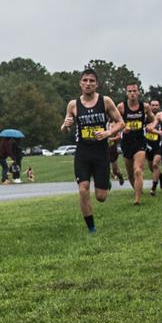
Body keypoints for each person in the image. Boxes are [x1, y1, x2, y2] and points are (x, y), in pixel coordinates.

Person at [59, 69, 124, 232]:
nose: (88, 84)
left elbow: (121, 123)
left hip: (101, 151)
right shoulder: (73, 104)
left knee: (101, 197)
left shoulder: (105, 101)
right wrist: (65, 125)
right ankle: (91, 228)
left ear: (97, 84)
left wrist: (108, 133)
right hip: (83, 151)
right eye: (85, 80)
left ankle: (105, 181)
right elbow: (64, 129)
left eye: (91, 81)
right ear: (80, 83)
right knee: (83, 189)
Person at [118, 83, 151, 204]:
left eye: (134, 91)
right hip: (126, 142)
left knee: (138, 170)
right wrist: (122, 128)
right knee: (131, 174)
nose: (132, 93)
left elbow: (153, 121)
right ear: (126, 93)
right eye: (129, 91)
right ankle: (137, 190)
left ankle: (137, 199)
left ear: (138, 92)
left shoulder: (145, 107)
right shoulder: (121, 107)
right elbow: (114, 122)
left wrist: (150, 127)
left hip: (140, 141)